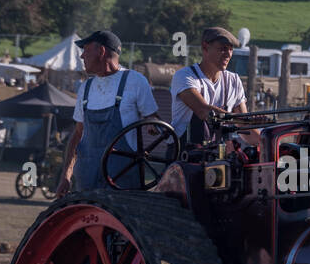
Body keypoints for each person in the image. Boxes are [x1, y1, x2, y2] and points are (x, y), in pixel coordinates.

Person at [55, 31, 159, 196]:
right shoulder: (86, 88)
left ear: (101, 51)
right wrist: (66, 176)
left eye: (86, 50)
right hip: (87, 182)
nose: (82, 56)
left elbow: (152, 118)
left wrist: (152, 123)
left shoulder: (135, 81)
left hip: (121, 182)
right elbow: (77, 135)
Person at [170, 26, 247, 143]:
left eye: (231, 50)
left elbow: (246, 128)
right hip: (184, 154)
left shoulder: (234, 80)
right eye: (223, 49)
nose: (228, 54)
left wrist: (265, 136)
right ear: (205, 47)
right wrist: (244, 120)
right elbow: (203, 111)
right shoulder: (185, 76)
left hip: (220, 154)